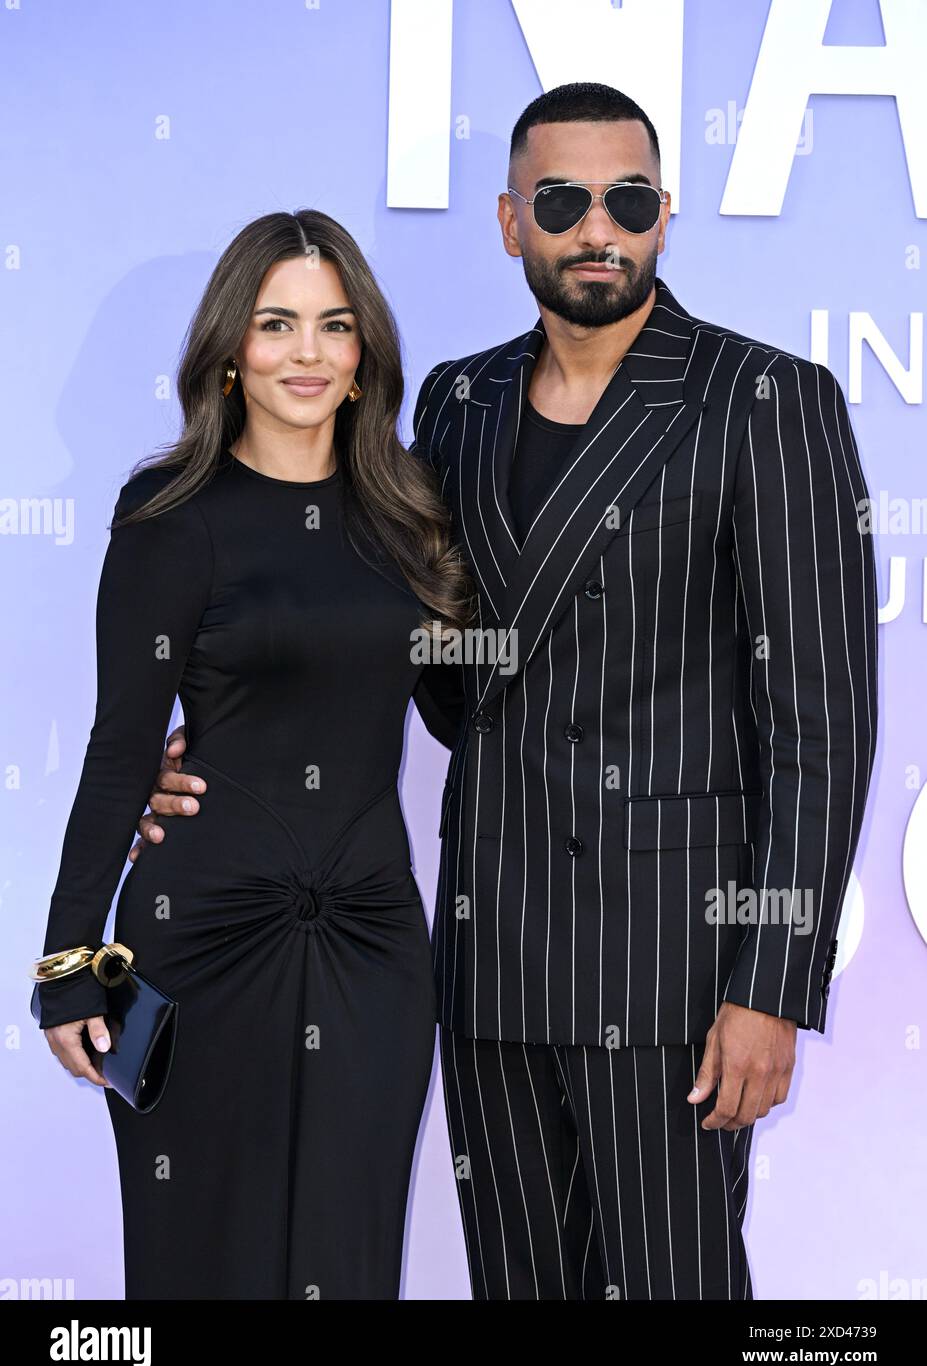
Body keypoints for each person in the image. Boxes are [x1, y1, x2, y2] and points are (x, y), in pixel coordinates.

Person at [130, 84, 879, 1301]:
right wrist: (238, 742)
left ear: (665, 217)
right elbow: (429, 666)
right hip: (487, 958)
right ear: (510, 221)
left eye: (628, 200)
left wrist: (774, 987)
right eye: (565, 200)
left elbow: (822, 723)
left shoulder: (765, 400)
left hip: (676, 972)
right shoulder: (458, 404)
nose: (599, 227)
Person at [32, 208, 474, 1300]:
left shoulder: (412, 515)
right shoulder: (170, 512)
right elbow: (122, 744)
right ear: (232, 350)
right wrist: (65, 961)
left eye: (334, 325)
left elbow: (463, 717)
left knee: (347, 1256)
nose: (307, 354)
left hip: (374, 943)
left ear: (366, 352)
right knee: (200, 1261)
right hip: (199, 937)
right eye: (278, 324)